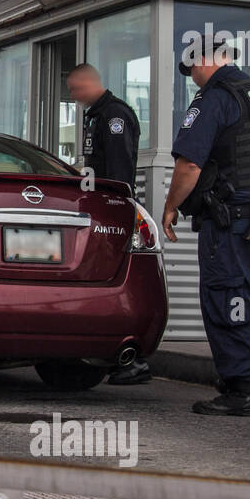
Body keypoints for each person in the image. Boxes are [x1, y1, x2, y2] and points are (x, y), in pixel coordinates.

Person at [161, 36, 250, 416]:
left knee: (229, 297)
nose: (192, 78)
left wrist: (170, 207)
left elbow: (189, 165)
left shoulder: (215, 97)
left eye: (191, 69)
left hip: (232, 225)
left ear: (203, 59)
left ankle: (242, 390)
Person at [66, 63, 151, 385]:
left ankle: (133, 359)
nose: (74, 97)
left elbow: (118, 169)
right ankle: (112, 353)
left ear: (91, 83)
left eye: (77, 89)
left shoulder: (114, 116)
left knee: (117, 280)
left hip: (113, 211)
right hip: (99, 210)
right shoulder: (97, 115)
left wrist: (114, 208)